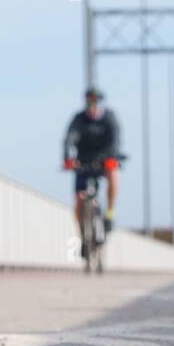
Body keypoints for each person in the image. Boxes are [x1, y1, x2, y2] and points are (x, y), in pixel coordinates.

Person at [63, 87, 121, 242]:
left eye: (96, 102)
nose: (93, 106)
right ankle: (82, 234)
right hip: (83, 161)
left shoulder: (109, 118)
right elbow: (69, 139)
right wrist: (68, 158)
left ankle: (109, 214)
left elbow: (115, 141)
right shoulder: (79, 119)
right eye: (90, 102)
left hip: (105, 160)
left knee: (113, 173)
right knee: (79, 198)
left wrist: (110, 157)